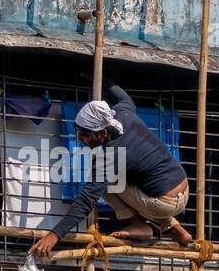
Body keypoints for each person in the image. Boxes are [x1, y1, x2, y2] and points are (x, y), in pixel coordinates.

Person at [28, 84, 193, 257]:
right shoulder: (123, 113)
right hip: (182, 187)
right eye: (78, 132)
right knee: (122, 176)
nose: (80, 139)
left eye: (84, 134)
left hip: (163, 203)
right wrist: (108, 83)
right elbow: (123, 96)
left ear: (102, 134)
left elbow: (86, 201)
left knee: (104, 183)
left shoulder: (110, 157)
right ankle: (177, 229)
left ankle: (139, 225)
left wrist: (54, 235)